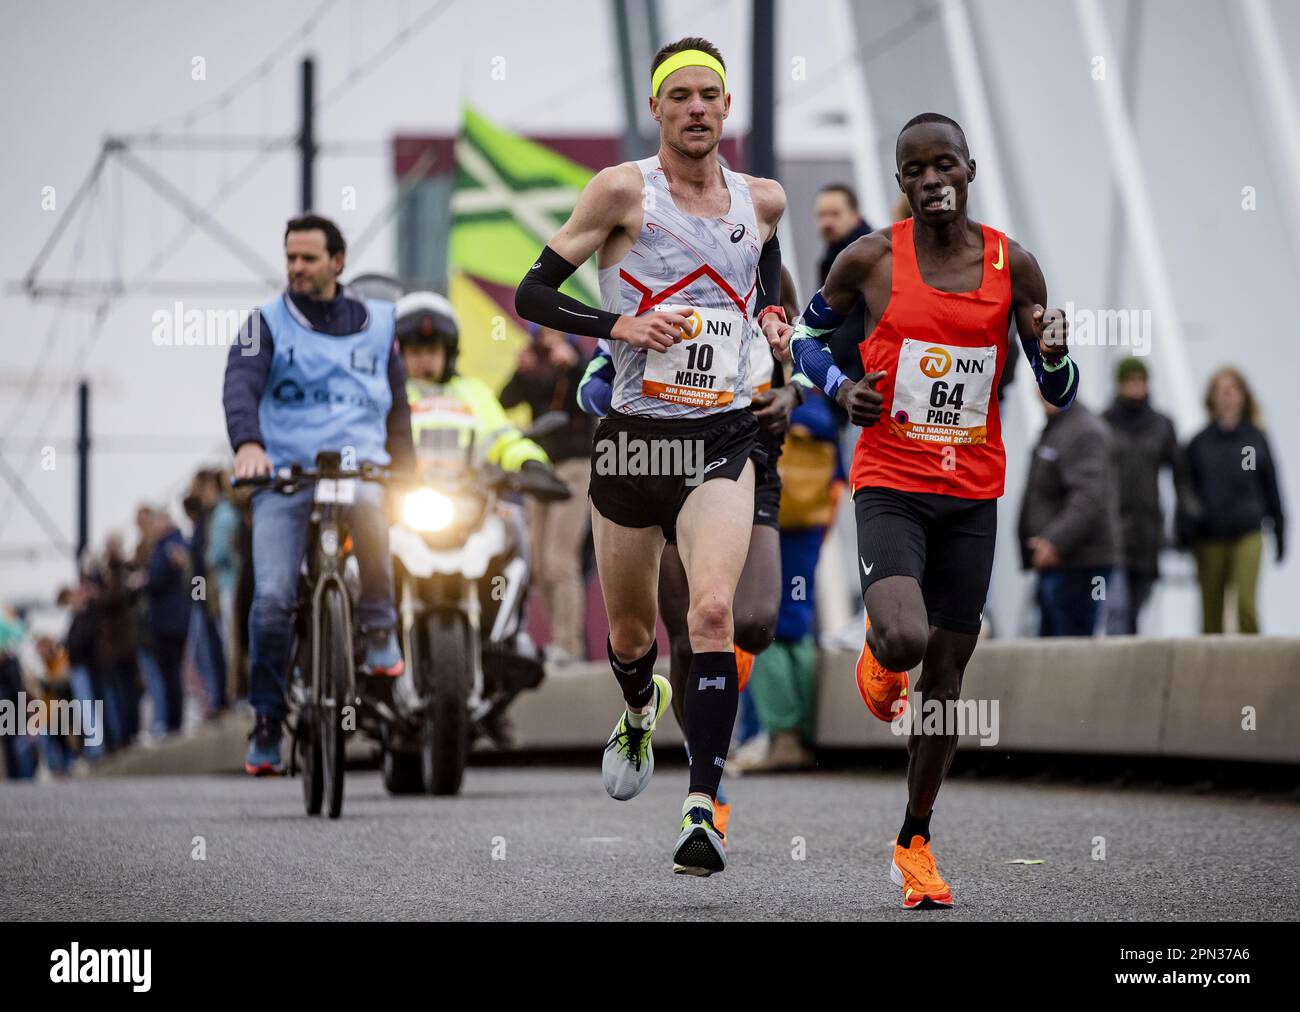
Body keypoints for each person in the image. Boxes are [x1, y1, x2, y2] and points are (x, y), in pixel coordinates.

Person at [514, 36, 791, 875]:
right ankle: (640, 707)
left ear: (727, 108)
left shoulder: (764, 200)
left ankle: (703, 805)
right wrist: (617, 326)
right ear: (658, 110)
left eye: (710, 95)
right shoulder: (623, 191)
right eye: (681, 97)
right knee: (633, 634)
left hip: (721, 439)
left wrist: (774, 324)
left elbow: (766, 281)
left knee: (711, 614)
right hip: (634, 444)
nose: (697, 108)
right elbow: (534, 291)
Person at [790, 112, 1079, 908]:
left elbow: (1056, 392)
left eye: (942, 165)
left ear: (970, 170)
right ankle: (880, 658)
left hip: (973, 494)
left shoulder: (1012, 266)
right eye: (913, 170)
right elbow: (802, 343)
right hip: (891, 479)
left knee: (946, 681)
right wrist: (839, 386)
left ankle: (915, 839)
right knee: (908, 637)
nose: (929, 180)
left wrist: (1055, 355)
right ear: (901, 183)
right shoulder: (869, 259)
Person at [577, 266, 805, 837]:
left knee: (751, 624)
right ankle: (707, 787)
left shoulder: (770, 287)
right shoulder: (650, 298)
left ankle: (714, 681)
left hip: (747, 461)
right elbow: (593, 384)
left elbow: (805, 361)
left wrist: (790, 395)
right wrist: (636, 403)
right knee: (689, 628)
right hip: (661, 465)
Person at [222, 214, 416, 775]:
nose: (296, 269)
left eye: (308, 258)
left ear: (338, 262)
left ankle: (379, 632)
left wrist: (408, 471)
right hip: (284, 473)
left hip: (359, 469)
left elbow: (398, 408)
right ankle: (265, 720)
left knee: (371, 512)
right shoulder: (265, 322)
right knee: (274, 597)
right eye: (290, 258)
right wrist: (248, 444)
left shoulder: (381, 325)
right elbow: (240, 386)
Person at [395, 290, 560, 748]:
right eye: (414, 351)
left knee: (512, 533)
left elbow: (503, 437)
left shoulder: (473, 394)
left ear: (449, 352)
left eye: (431, 350)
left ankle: (507, 641)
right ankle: (371, 649)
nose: (423, 360)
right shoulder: (390, 397)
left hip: (465, 510)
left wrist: (530, 462)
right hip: (404, 512)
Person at [731, 380, 840, 773]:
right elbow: (837, 474)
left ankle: (783, 734)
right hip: (806, 522)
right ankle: (787, 732)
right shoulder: (816, 391)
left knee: (761, 622)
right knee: (794, 620)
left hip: (770, 519)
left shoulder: (782, 393)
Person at [500, 325, 596, 663]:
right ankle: (561, 642)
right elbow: (504, 401)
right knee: (538, 566)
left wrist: (572, 365)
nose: (549, 337)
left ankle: (568, 645)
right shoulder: (534, 366)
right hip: (539, 469)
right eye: (542, 332)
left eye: (555, 330)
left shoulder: (578, 363)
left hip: (575, 466)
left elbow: (592, 400)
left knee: (559, 561)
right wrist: (520, 369)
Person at [1181, 367, 1286, 634]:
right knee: (1211, 613)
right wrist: (1187, 530)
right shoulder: (1199, 443)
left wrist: (1280, 529)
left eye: (1232, 390)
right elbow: (1186, 490)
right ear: (1212, 397)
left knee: (1245, 605)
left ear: (1242, 396)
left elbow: (1271, 486)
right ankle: (1210, 671)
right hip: (1210, 536)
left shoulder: (1254, 439)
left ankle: (1255, 666)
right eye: (1220, 390)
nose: (1227, 396)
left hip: (1248, 531)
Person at [1017, 395, 1122, 636]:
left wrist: (1054, 541)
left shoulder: (1084, 431)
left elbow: (1088, 497)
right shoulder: (1058, 427)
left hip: (1080, 565)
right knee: (1052, 655)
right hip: (1058, 565)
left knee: (1071, 652)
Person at [1101, 357, 1182, 634]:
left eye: (1141, 381)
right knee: (1116, 609)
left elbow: (1181, 476)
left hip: (1148, 532)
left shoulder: (1162, 425)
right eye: (1130, 381)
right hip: (1113, 530)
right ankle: (1116, 670)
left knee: (1136, 609)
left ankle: (1129, 671)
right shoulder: (1103, 424)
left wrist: (1184, 521)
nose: (1136, 387)